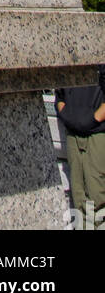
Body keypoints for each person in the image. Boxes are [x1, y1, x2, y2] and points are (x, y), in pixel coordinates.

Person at [56, 66, 105, 228]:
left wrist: (94, 118)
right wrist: (66, 114)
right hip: (73, 133)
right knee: (78, 195)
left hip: (98, 133)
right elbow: (59, 92)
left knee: (97, 195)